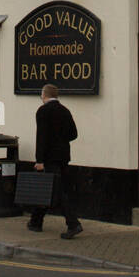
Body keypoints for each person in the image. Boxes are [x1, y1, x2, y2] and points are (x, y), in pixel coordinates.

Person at [28, 84, 83, 239]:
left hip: (49, 158)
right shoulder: (65, 110)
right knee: (52, 188)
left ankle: (73, 224)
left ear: (44, 95)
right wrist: (61, 140)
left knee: (56, 191)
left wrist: (39, 160)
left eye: (41, 94)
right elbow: (74, 134)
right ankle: (35, 222)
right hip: (64, 157)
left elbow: (41, 137)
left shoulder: (43, 111)